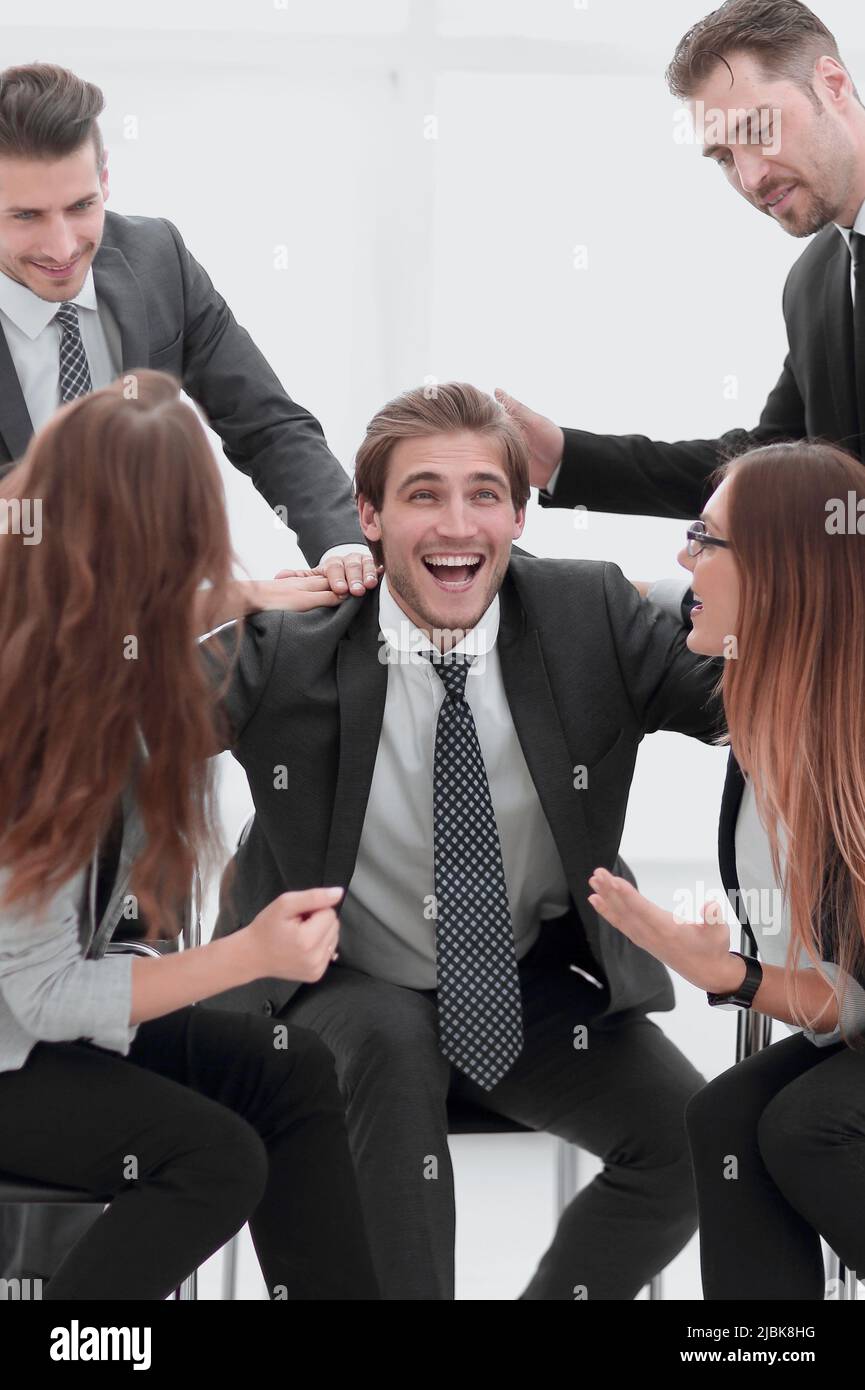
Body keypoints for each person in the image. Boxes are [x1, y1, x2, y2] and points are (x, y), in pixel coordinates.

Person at [198, 381, 727, 1300]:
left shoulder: (587, 612)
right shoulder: (292, 641)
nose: (457, 524)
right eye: (421, 494)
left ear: (521, 515)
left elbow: (751, 704)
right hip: (335, 983)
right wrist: (227, 596)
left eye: (485, 493)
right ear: (367, 514)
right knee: (393, 1041)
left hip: (520, 982)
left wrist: (768, 575)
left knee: (689, 1135)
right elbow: (91, 730)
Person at [0, 371, 381, 1301]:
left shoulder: (45, 592)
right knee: (213, 1160)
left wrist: (243, 591)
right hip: (16, 1038)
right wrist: (248, 954)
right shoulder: (38, 723)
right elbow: (42, 996)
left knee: (286, 1072)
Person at [588, 439, 865, 1300]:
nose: (683, 557)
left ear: (784, 569)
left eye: (704, 538)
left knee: (807, 1125)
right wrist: (730, 975)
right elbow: (848, 998)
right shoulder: (768, 694)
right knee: (728, 1116)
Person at [0, 61, 377, 598]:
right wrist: (217, 602)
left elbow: (266, 425)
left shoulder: (157, 259)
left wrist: (344, 546)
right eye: (27, 216)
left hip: (163, 662)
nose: (61, 248)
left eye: (81, 206)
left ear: (105, 178)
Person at [497, 0, 865, 518]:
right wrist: (562, 457)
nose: (751, 177)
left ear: (832, 83)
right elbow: (768, 467)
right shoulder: (812, 282)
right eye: (723, 157)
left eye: (758, 128)